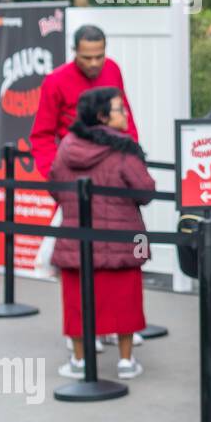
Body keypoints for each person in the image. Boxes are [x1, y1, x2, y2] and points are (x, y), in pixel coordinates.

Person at [49, 87, 155, 380]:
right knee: (125, 300)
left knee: (76, 302)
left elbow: (55, 188)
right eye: (120, 109)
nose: (125, 114)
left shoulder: (67, 145)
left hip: (76, 238)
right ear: (102, 116)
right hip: (121, 242)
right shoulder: (125, 148)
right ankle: (125, 361)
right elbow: (145, 191)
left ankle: (79, 360)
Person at [31, 25, 139, 177]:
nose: (93, 63)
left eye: (99, 56)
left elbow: (126, 118)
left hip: (115, 168)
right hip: (75, 168)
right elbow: (42, 135)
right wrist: (54, 173)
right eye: (87, 58)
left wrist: (132, 158)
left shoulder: (112, 69)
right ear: (74, 51)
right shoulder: (55, 81)